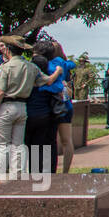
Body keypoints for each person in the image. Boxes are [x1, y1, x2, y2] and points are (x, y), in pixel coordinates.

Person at [0, 36, 57, 178]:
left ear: (8, 50)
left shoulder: (6, 67)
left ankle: (1, 175)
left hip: (6, 107)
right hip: (22, 107)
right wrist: (58, 71)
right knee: (18, 144)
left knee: (3, 145)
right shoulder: (31, 66)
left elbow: (0, 92)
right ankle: (18, 175)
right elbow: (48, 81)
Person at [39, 39, 76, 173]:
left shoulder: (48, 64)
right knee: (66, 140)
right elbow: (72, 64)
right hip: (64, 104)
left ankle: (51, 169)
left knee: (53, 139)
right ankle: (65, 171)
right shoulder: (63, 63)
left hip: (54, 104)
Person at [25, 40, 59, 174]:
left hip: (30, 113)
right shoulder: (53, 73)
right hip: (46, 114)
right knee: (43, 145)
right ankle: (45, 172)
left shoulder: (30, 73)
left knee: (30, 146)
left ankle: (33, 172)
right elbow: (58, 86)